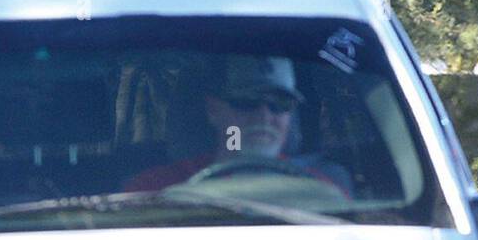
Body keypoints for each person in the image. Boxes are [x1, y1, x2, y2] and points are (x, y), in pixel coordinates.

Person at [125, 54, 349, 194]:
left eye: (280, 103)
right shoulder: (153, 192)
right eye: (246, 101)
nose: (263, 115)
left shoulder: (323, 193)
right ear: (214, 109)